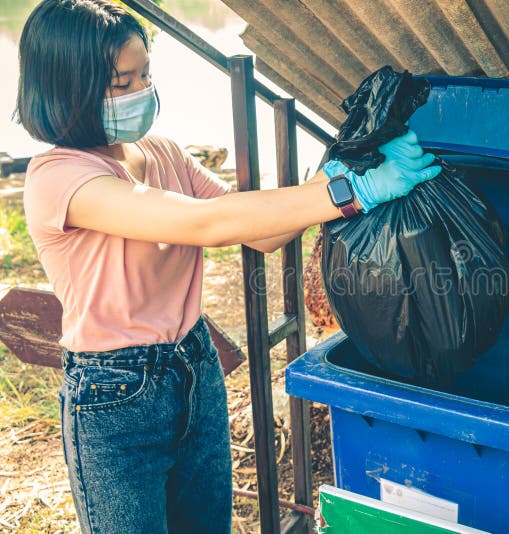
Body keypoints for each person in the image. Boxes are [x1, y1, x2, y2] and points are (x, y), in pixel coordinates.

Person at [16, 1, 442, 532]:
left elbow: (260, 232)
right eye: (122, 82)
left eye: (145, 74)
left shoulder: (162, 150)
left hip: (195, 367)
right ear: (65, 87)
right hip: (114, 398)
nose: (142, 92)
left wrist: (342, 170)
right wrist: (346, 195)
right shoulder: (59, 177)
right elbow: (205, 223)